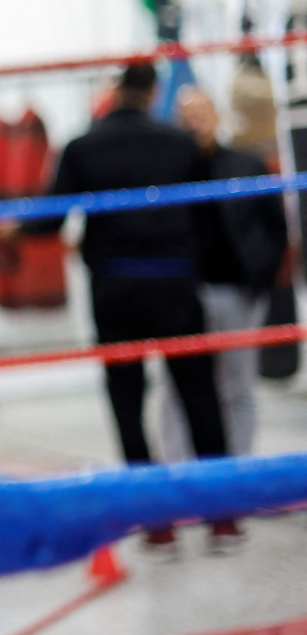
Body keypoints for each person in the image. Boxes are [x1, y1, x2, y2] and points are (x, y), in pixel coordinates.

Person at [25, 62, 233, 554]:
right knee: (199, 394)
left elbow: (49, 221)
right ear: (154, 91)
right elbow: (208, 216)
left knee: (127, 398)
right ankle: (222, 517)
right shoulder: (179, 144)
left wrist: (10, 229)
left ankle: (154, 521)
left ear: (115, 90)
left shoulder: (83, 146)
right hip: (175, 286)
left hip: (116, 287)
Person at [156, 87, 286, 472]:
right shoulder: (170, 171)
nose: (196, 123)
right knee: (177, 387)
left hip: (237, 291)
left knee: (238, 384)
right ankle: (177, 474)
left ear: (217, 117)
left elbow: (275, 226)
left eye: (202, 114)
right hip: (185, 293)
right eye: (187, 116)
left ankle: (238, 473)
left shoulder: (245, 164)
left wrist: (261, 274)